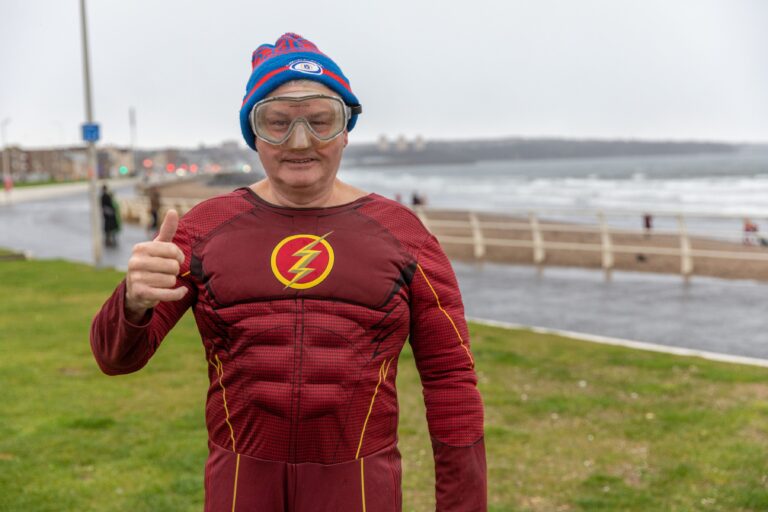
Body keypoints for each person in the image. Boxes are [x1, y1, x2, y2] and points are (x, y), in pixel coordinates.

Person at [90, 33, 486, 512]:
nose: (301, 142)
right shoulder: (203, 230)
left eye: (321, 122)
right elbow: (116, 359)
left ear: (346, 128)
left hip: (360, 486)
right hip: (241, 484)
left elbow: (451, 381)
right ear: (253, 133)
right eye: (276, 123)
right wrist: (132, 301)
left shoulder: (403, 235)